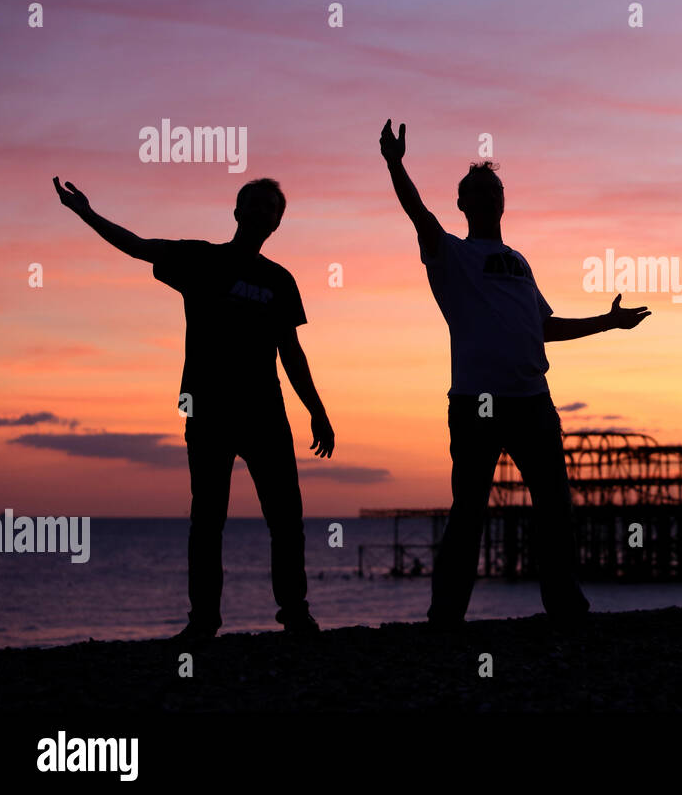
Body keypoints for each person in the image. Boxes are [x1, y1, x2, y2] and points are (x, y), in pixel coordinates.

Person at [379, 120, 650, 626]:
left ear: (503, 202)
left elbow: (545, 327)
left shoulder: (519, 261)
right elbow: (418, 214)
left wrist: (608, 322)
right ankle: (447, 616)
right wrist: (395, 163)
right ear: (463, 205)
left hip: (534, 400)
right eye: (477, 193)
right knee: (469, 514)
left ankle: (565, 607)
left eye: (493, 191)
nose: (486, 198)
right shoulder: (450, 254)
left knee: (555, 508)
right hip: (476, 402)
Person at [52, 175, 334, 640]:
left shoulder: (280, 280)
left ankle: (295, 615)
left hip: (266, 414)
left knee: (286, 519)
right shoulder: (200, 258)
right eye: (256, 204)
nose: (263, 212)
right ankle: (203, 622)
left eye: (272, 208)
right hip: (208, 412)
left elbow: (291, 351)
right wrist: (86, 213)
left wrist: (317, 411)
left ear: (277, 222)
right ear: (238, 212)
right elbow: (138, 245)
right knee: (207, 521)